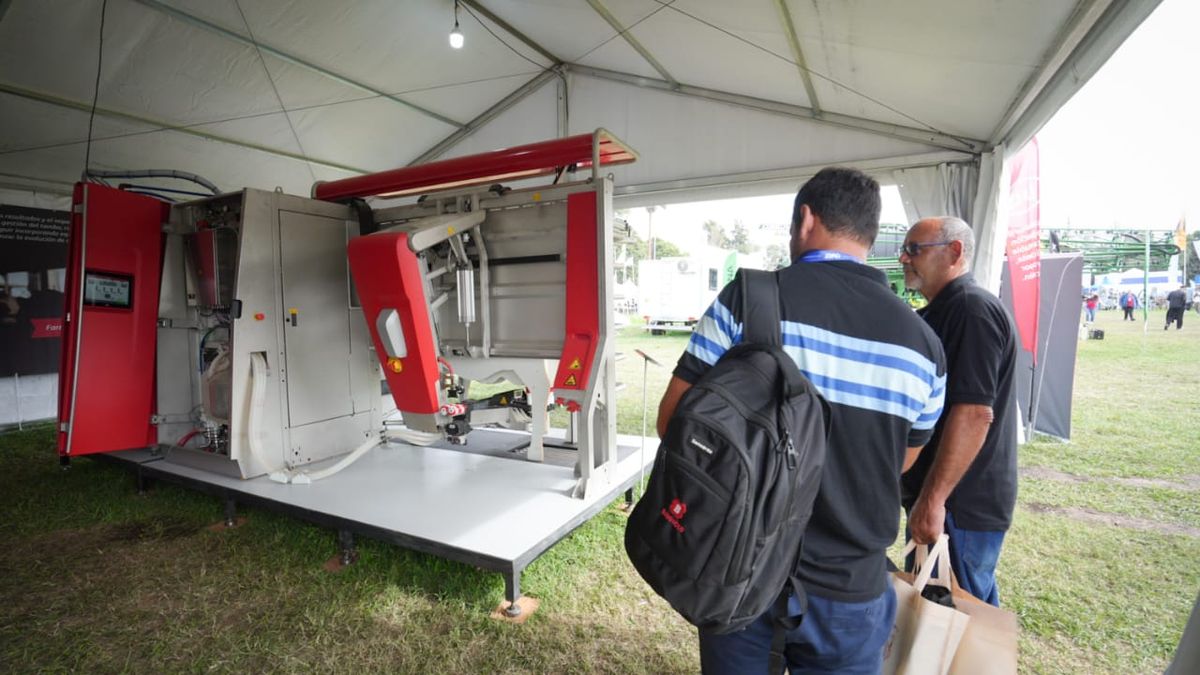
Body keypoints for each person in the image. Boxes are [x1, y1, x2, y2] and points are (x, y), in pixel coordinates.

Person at [656, 168, 947, 673]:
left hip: (738, 569)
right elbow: (901, 460)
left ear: (806, 220)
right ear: (869, 233)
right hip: (852, 592)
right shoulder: (924, 345)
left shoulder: (745, 301)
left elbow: (673, 424)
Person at [899, 216, 1018, 608]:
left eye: (915, 249)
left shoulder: (971, 310)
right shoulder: (942, 311)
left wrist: (933, 501)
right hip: (947, 500)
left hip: (959, 504)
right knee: (955, 614)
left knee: (952, 619)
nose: (904, 257)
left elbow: (973, 414)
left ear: (954, 252)